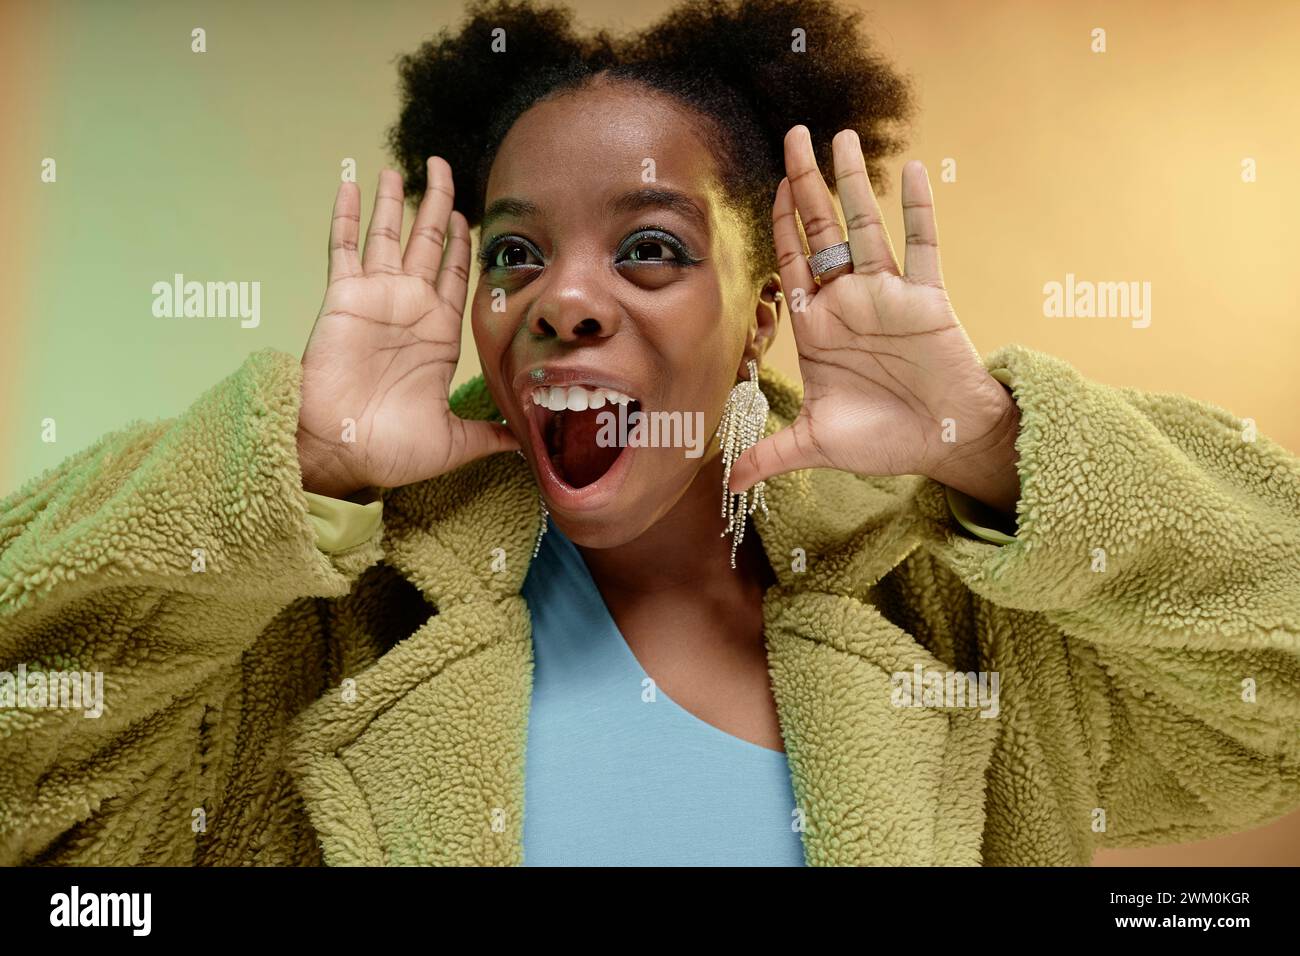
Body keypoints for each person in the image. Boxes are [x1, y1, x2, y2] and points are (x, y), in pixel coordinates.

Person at [2, 0, 1298, 867]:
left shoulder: (959, 625)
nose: (563, 300)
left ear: (762, 316)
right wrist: (299, 462)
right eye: (515, 254)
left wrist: (990, 442)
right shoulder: (313, 631)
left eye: (650, 249)